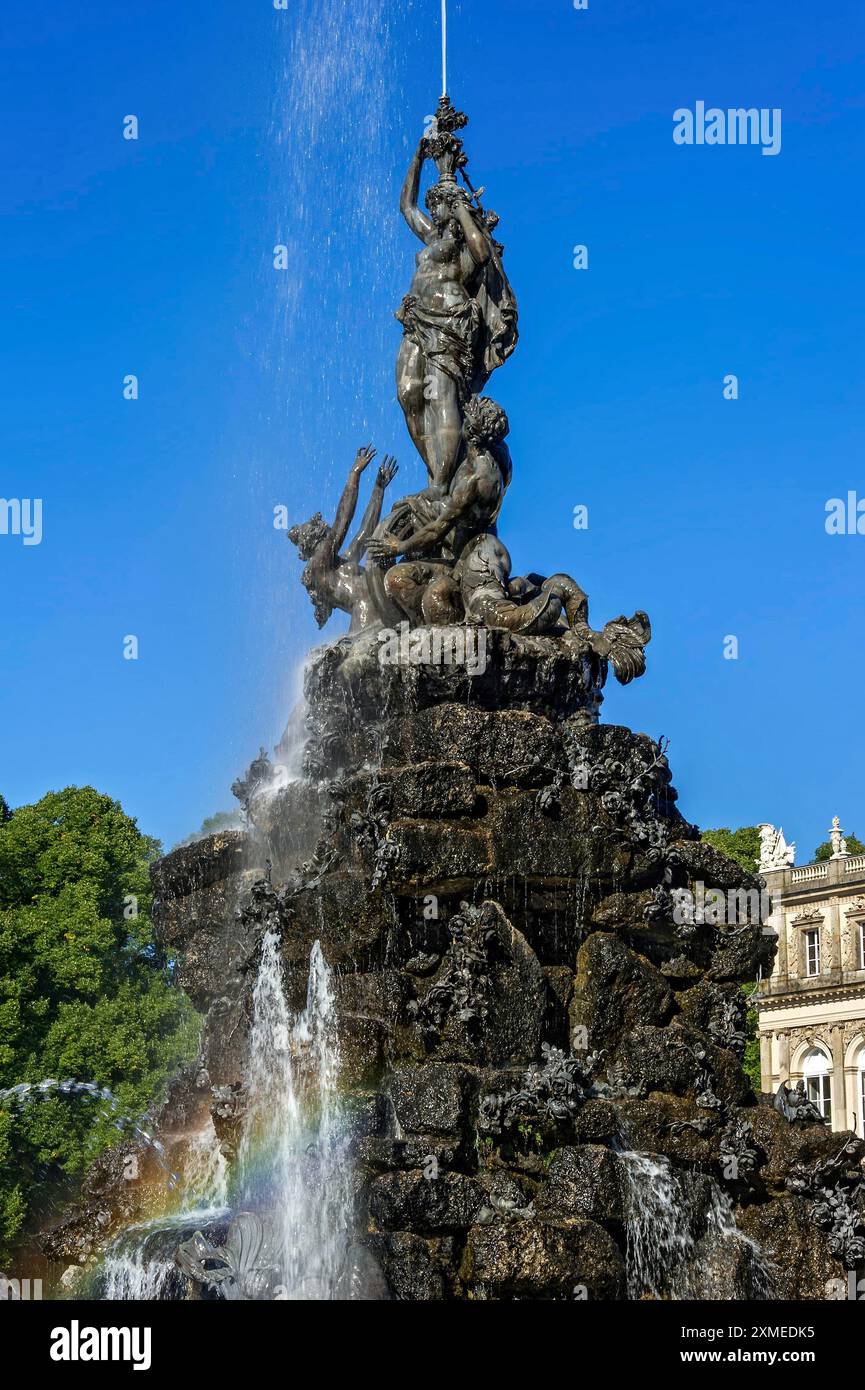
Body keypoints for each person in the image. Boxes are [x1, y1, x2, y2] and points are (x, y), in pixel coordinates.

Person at [395, 131, 517, 490]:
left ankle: (440, 484)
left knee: (440, 396)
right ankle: (436, 470)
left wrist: (461, 204)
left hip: (451, 325)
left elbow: (482, 254)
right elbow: (406, 206)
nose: (432, 208)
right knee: (409, 393)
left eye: (438, 203)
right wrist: (418, 158)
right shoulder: (432, 237)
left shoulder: (465, 242)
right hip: (418, 320)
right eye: (432, 203)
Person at [288, 446, 398, 632]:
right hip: (367, 613)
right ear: (313, 540)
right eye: (315, 527)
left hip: (379, 603)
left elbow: (366, 532)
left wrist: (378, 489)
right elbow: (343, 521)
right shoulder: (318, 565)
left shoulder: (342, 561)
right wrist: (354, 474)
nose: (323, 526)